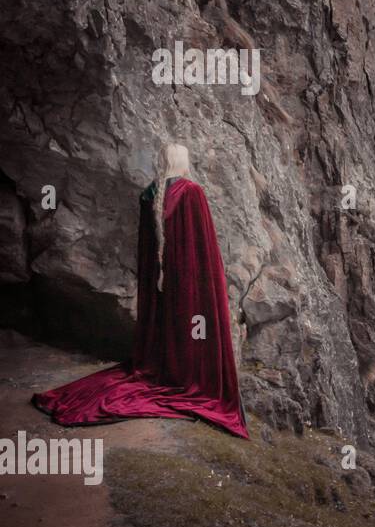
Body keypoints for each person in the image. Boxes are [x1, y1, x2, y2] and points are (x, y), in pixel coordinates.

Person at [33, 142, 248, 438]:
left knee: (171, 329)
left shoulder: (150, 192)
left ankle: (166, 368)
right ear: (182, 161)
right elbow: (202, 248)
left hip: (160, 283)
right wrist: (207, 285)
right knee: (191, 330)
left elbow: (152, 249)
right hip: (186, 282)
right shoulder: (191, 191)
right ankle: (187, 375)